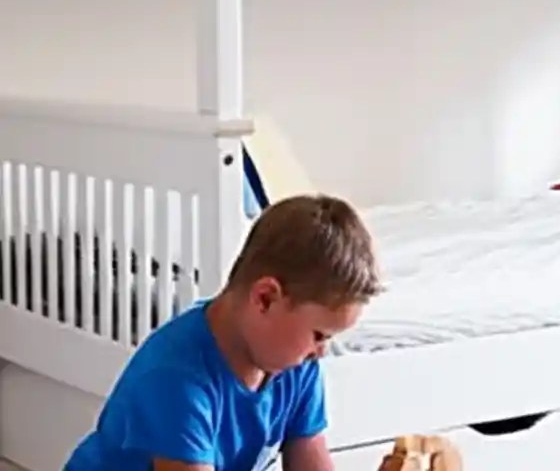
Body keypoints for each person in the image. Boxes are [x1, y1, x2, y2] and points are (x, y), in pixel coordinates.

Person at [64, 193, 383, 471]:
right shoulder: (176, 378)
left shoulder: (292, 364)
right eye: (319, 335)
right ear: (265, 298)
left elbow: (309, 459)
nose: (321, 351)